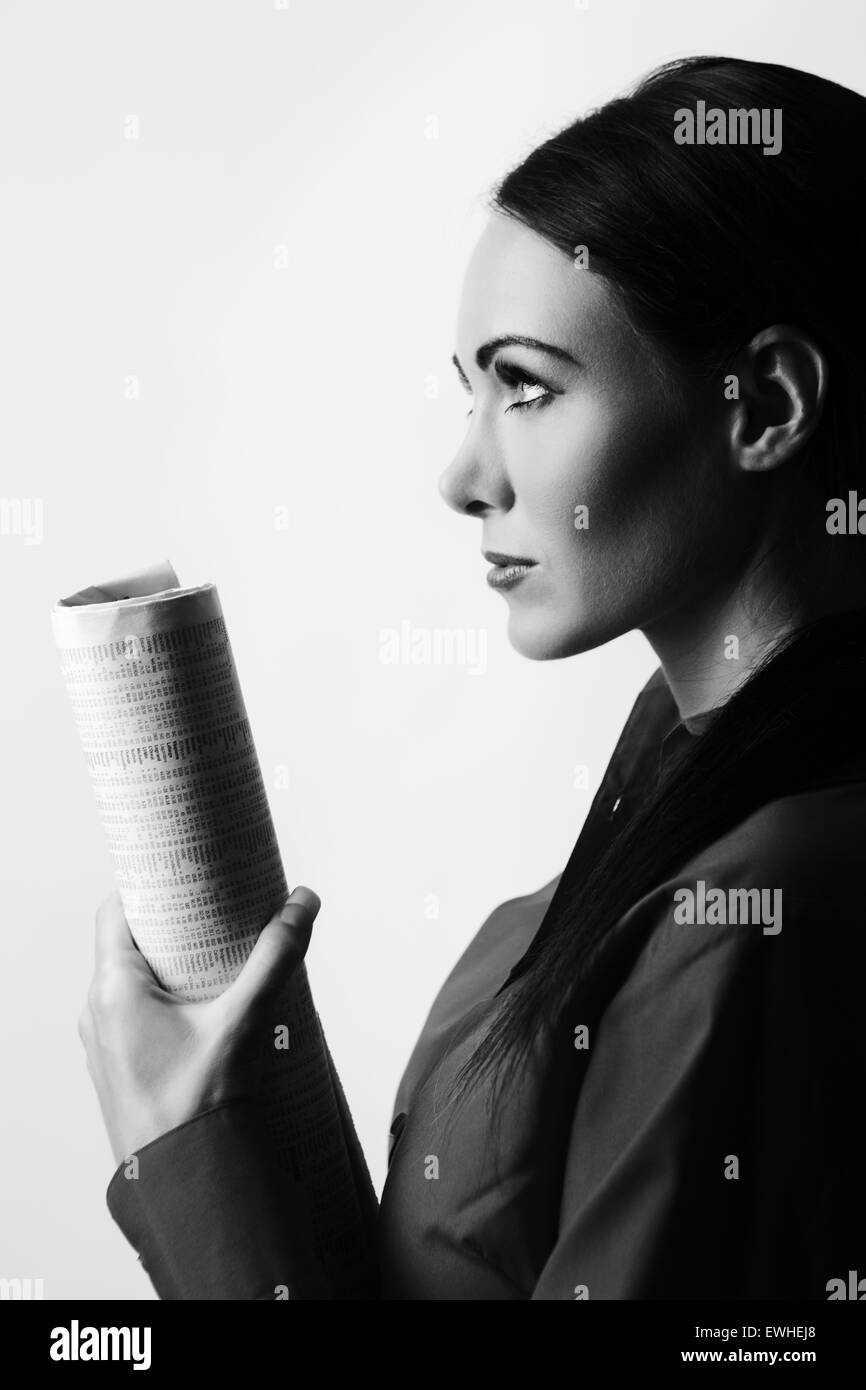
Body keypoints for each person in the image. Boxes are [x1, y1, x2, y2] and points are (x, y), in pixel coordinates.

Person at [78, 55, 866, 1299]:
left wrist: (190, 1172)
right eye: (470, 395)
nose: (464, 477)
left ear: (761, 402)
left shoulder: (754, 920)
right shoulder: (690, 776)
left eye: (527, 386)